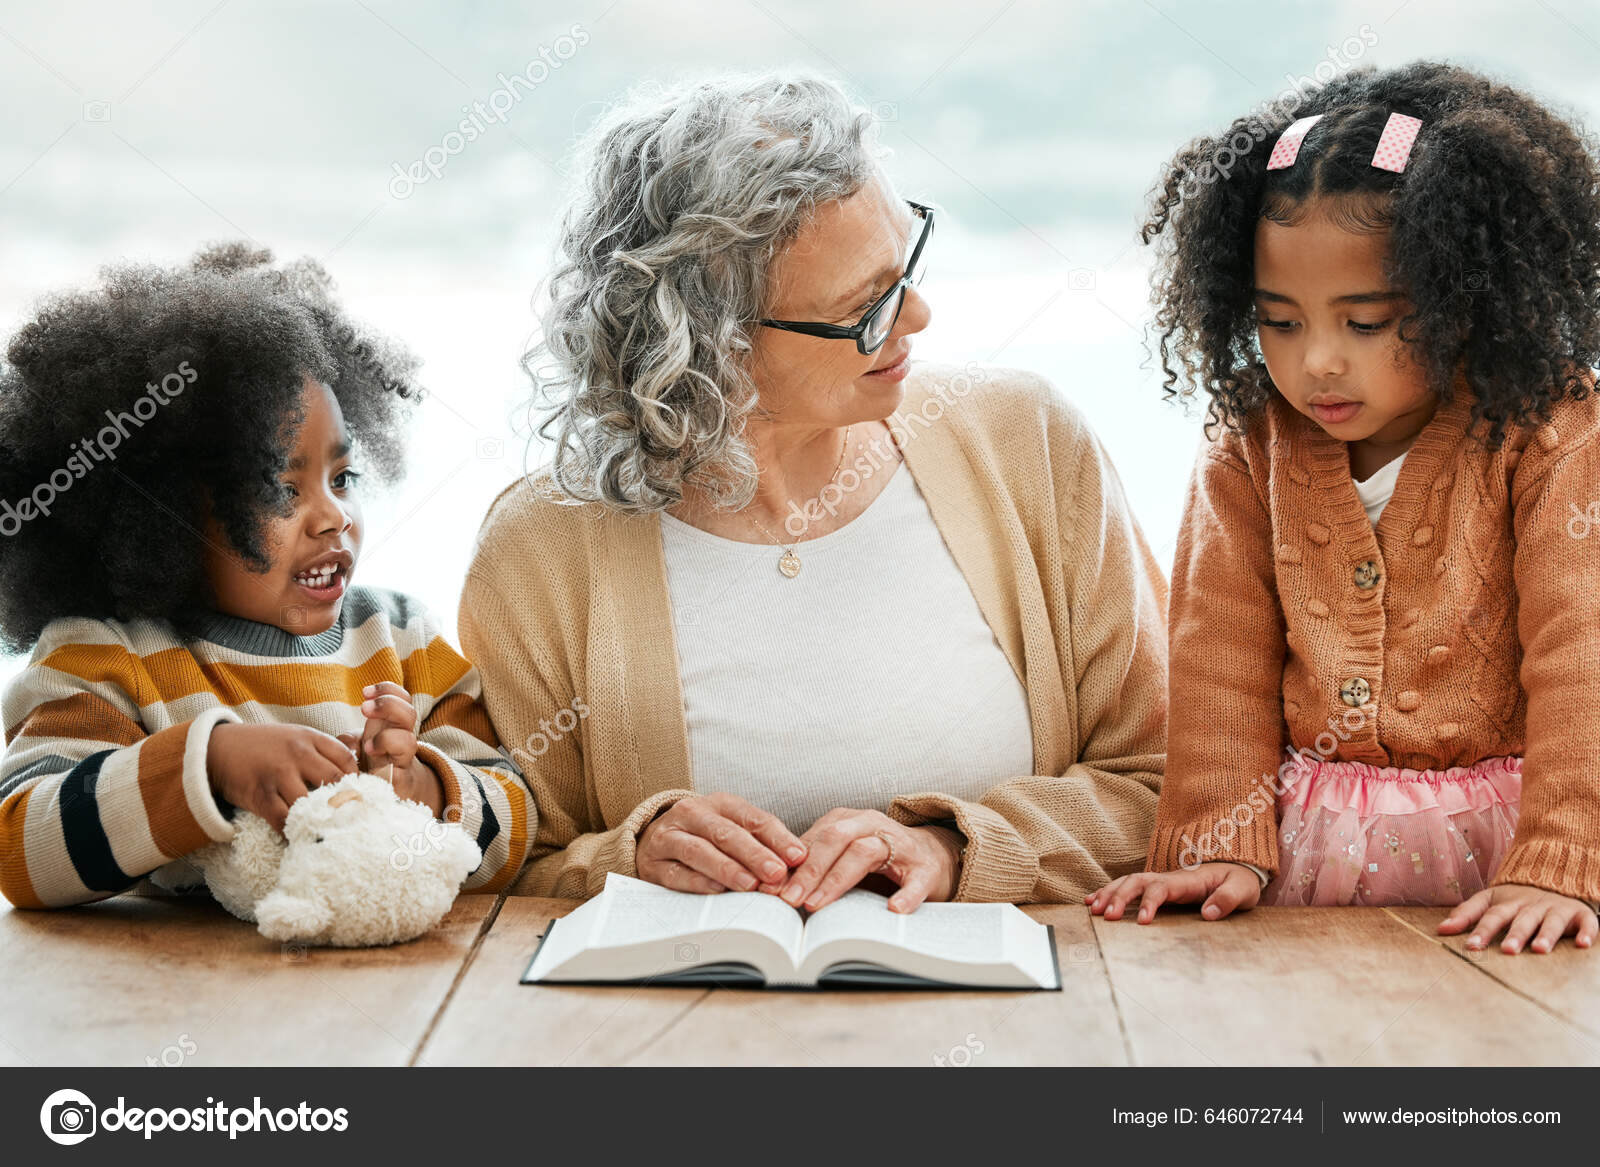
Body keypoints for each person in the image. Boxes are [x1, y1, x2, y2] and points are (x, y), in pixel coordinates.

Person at [461, 72, 1167, 913]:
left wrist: (955, 849)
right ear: (708, 346)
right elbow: (502, 857)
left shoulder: (1029, 444)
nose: (917, 317)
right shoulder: (540, 547)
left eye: (906, 263)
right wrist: (631, 855)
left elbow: (1163, 781)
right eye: (866, 307)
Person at [1090, 62, 1600, 955]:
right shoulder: (1251, 443)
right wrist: (1215, 842)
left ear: (1464, 297)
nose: (1317, 360)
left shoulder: (1549, 429)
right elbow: (1220, 654)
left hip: (1515, 854)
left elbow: (1581, 655)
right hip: (1309, 851)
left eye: (1365, 322)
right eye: (1280, 321)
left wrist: (1561, 858)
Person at [0, 245, 535, 907]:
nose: (334, 516)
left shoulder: (402, 642)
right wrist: (210, 765)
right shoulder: (106, 658)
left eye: (343, 477)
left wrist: (418, 786)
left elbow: (516, 820)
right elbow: (21, 850)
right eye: (282, 489)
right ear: (163, 515)